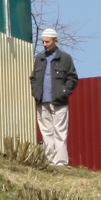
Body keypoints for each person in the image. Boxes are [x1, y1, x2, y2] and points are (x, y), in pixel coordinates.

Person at [31, 28, 79, 167]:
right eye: (43, 42)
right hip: (42, 100)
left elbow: (73, 77)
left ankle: (61, 162)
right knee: (46, 132)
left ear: (55, 41)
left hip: (59, 101)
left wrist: (64, 91)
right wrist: (35, 91)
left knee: (60, 132)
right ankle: (50, 161)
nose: (45, 44)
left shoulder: (65, 58)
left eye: (48, 41)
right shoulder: (39, 59)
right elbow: (33, 78)